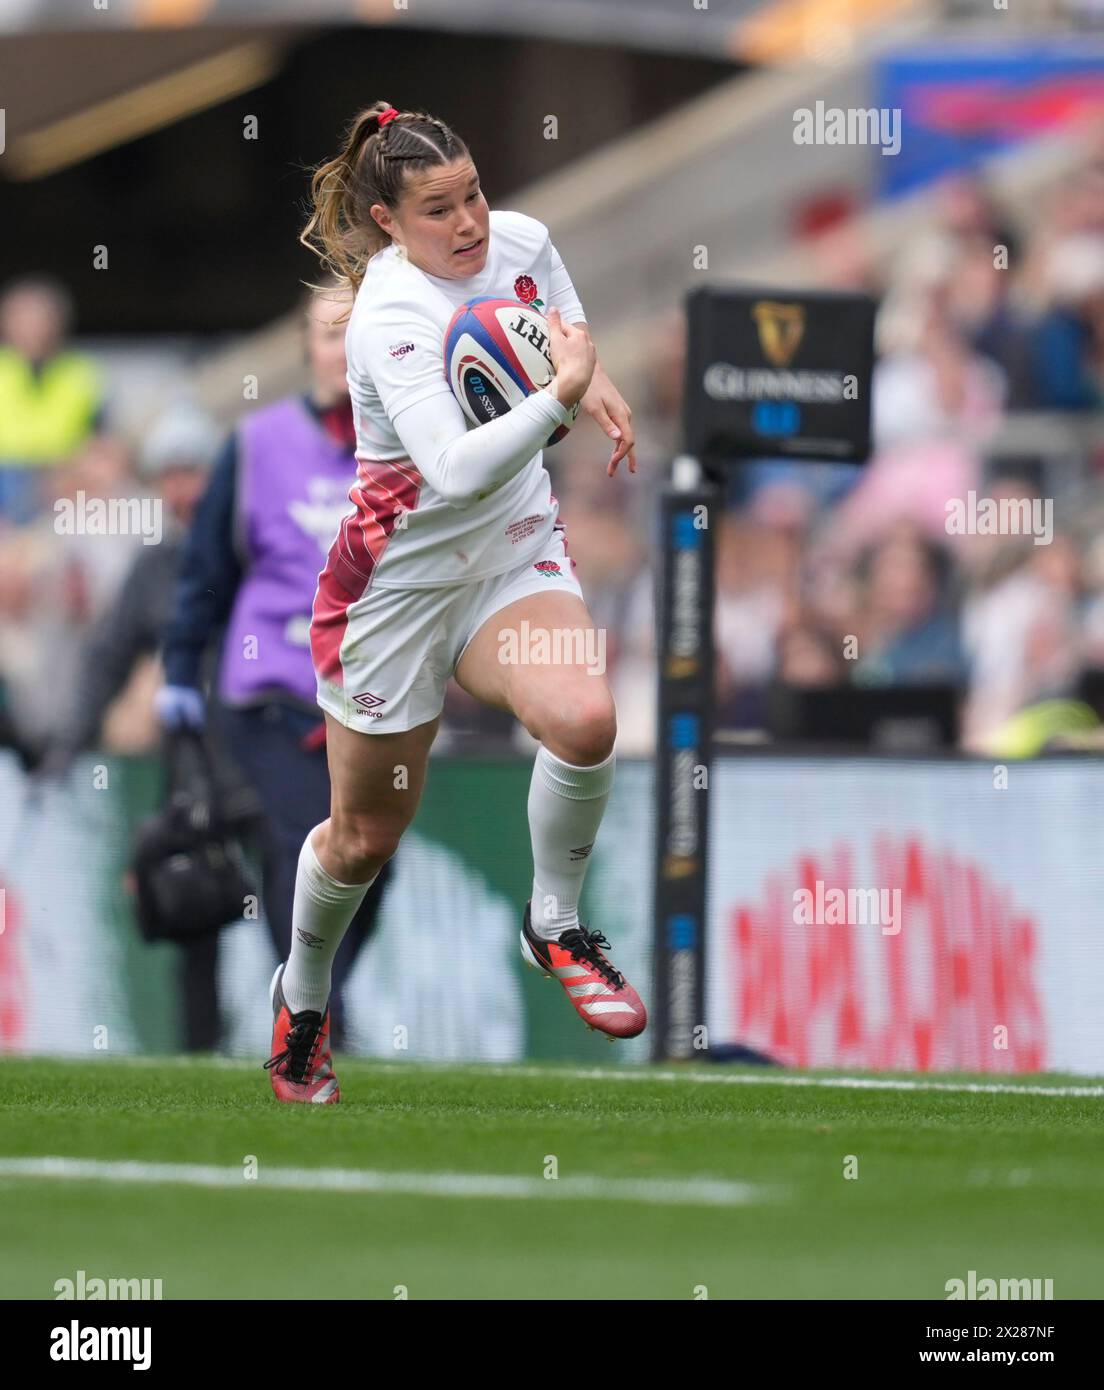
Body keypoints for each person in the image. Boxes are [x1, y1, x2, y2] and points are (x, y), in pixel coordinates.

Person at [263, 101, 646, 1104]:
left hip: (510, 553)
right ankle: (304, 998)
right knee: (364, 838)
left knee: (585, 716)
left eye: (473, 191)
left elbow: (563, 329)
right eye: (440, 208)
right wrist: (561, 397)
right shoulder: (387, 316)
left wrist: (590, 380)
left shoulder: (523, 240)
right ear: (389, 220)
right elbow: (453, 465)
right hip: (398, 590)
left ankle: (555, 923)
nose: (471, 221)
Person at [160, 284, 392, 1051]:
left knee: (374, 859)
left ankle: (307, 997)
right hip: (272, 693)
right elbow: (205, 571)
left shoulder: (409, 444)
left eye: (354, 335)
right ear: (309, 350)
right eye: (328, 336)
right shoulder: (256, 443)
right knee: (303, 847)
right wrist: (179, 670)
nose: (340, 349)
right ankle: (312, 1021)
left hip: (374, 699)